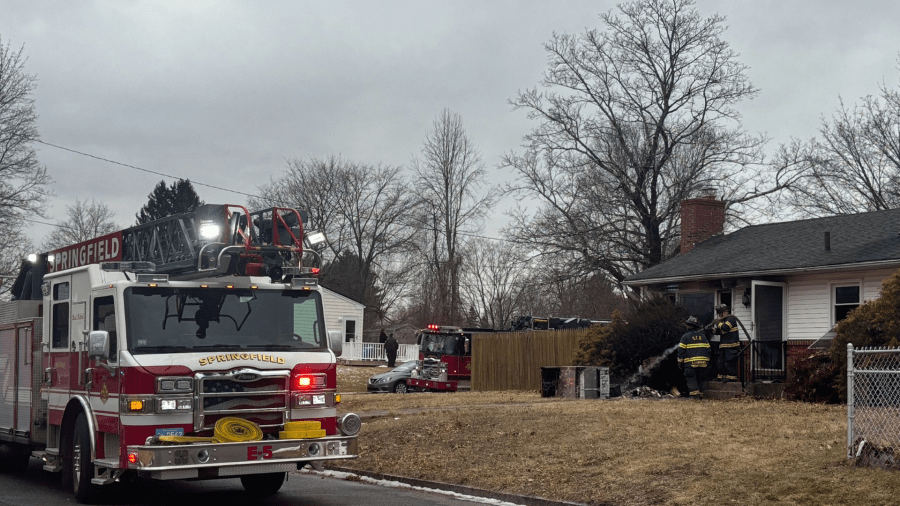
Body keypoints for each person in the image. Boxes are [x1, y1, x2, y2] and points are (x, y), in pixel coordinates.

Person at [677, 316, 711, 399]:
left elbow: (681, 351)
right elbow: (708, 349)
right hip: (703, 363)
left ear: (689, 326)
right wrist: (707, 361)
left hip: (691, 364)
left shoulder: (686, 337)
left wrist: (680, 362)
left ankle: (694, 396)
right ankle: (700, 395)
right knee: (700, 379)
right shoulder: (703, 336)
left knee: (691, 379)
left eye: (688, 325)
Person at [711, 304, 740, 382]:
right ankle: (721, 376)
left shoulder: (731, 319)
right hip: (723, 346)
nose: (719, 315)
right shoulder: (724, 321)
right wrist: (712, 330)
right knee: (720, 362)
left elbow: (725, 328)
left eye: (720, 313)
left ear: (723, 312)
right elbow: (720, 331)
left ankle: (731, 378)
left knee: (729, 362)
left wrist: (718, 323)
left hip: (732, 346)